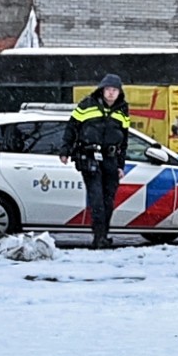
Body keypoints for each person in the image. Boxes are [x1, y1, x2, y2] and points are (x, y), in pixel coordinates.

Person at [61, 74, 130, 249]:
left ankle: (103, 235)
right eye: (108, 90)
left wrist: (121, 165)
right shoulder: (87, 104)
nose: (111, 94)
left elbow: (125, 140)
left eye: (115, 90)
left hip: (111, 159)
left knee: (108, 201)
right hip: (89, 156)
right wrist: (65, 150)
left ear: (119, 92)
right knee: (97, 200)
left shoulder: (122, 110)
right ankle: (99, 238)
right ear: (102, 90)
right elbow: (71, 127)